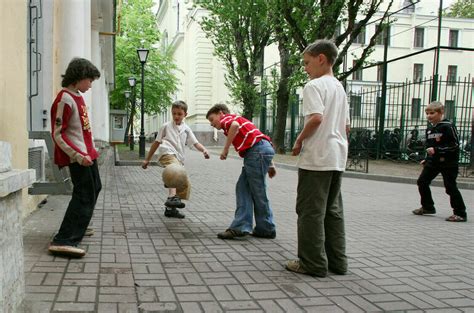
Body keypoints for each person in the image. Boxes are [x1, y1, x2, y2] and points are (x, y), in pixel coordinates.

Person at [286, 40, 350, 277]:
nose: (305, 68)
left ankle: (312, 263)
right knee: (333, 211)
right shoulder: (339, 87)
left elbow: (315, 118)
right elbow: (346, 126)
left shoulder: (314, 86)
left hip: (317, 157)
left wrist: (299, 140)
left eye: (307, 62)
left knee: (310, 211)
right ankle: (338, 262)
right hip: (337, 156)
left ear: (321, 58)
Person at [48, 58, 102, 258]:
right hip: (79, 157)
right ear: (79, 77)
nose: (90, 85)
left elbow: (82, 130)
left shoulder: (77, 96)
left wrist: (92, 150)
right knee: (84, 194)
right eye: (89, 80)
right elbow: (58, 134)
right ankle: (64, 240)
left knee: (95, 187)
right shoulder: (64, 99)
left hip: (89, 154)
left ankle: (80, 223)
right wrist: (78, 156)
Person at [206, 104, 277, 240]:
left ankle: (254, 227)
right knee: (244, 188)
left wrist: (225, 149)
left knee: (258, 191)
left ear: (220, 113)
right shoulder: (241, 119)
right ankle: (259, 227)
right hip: (260, 151)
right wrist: (271, 164)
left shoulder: (227, 119)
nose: (212, 124)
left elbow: (234, 126)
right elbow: (260, 137)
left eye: (212, 119)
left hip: (255, 153)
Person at [142, 100, 209, 218]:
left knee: (183, 181)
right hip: (167, 154)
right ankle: (173, 197)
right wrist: (147, 159)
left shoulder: (187, 129)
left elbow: (195, 143)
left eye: (179, 114)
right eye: (174, 113)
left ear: (185, 115)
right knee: (175, 172)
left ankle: (170, 208)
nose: (176, 116)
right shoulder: (165, 126)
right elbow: (156, 143)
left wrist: (204, 150)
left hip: (179, 158)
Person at [413, 101, 468, 222]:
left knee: (450, 187)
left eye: (432, 113)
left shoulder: (448, 126)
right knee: (422, 182)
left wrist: (436, 150)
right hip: (433, 162)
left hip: (448, 162)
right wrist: (427, 159)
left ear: (441, 112)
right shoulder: (430, 129)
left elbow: (455, 145)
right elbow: (429, 146)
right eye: (427, 113)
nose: (428, 116)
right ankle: (428, 207)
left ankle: (460, 213)